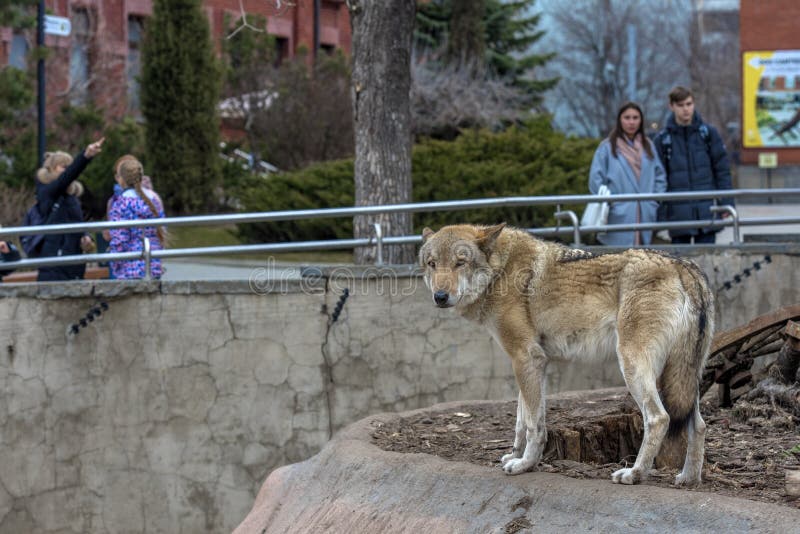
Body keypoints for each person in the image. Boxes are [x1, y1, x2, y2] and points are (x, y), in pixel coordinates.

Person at [654, 86, 733, 244]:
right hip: (678, 214)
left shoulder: (708, 134)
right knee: (681, 266)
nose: (686, 109)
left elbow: (722, 171)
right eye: (681, 105)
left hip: (706, 211)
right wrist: (660, 214)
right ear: (672, 106)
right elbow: (659, 179)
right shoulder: (663, 139)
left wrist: (727, 202)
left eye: (689, 104)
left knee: (705, 263)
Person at [588, 101, 667, 246]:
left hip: (644, 211)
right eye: (627, 117)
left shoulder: (648, 145)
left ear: (641, 120)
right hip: (617, 215)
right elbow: (595, 180)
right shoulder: (607, 147)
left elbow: (659, 176)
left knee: (641, 262)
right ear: (620, 119)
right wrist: (611, 204)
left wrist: (654, 201)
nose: (631, 122)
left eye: (635, 117)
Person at [34, 138, 104, 281]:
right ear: (52, 169)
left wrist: (87, 238)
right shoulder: (47, 192)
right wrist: (86, 156)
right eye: (63, 166)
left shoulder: (71, 197)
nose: (68, 170)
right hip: (54, 267)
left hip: (75, 266)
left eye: (69, 166)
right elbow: (65, 178)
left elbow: (77, 223)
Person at [106, 157, 166, 279]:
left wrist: (115, 263)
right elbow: (162, 231)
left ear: (121, 179)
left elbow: (119, 239)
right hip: (153, 267)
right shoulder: (153, 200)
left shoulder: (121, 204)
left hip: (129, 269)